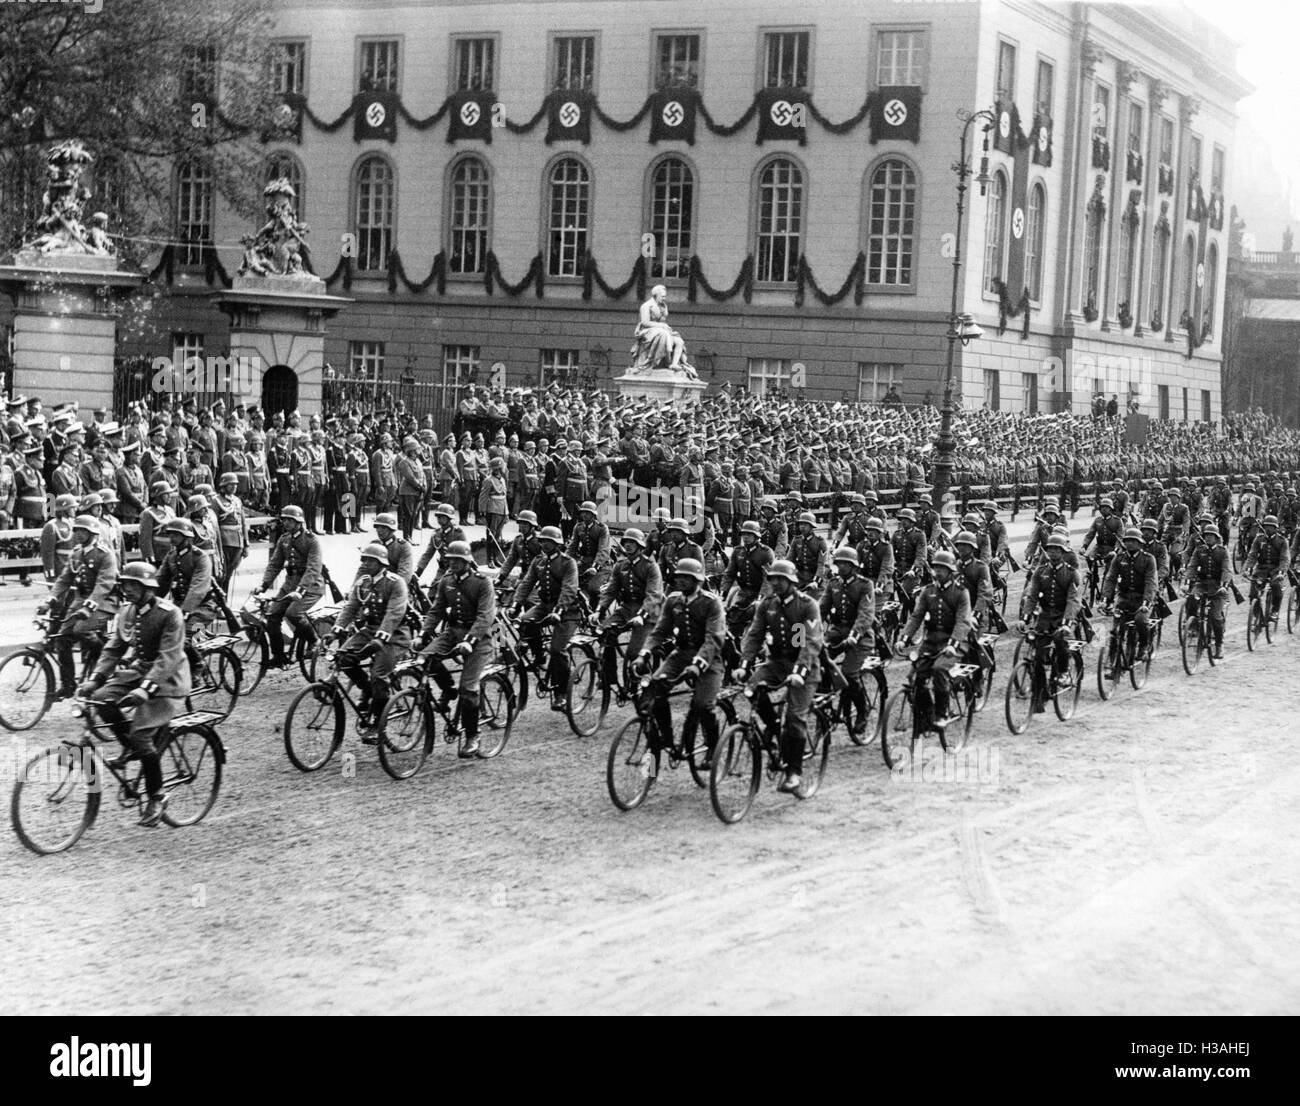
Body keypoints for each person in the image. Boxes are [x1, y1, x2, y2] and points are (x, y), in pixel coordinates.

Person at [79, 562, 191, 827]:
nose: (127, 590)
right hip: (138, 673)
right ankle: (131, 748)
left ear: (147, 588)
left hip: (168, 682)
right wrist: (94, 680)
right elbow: (113, 648)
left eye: (133, 585)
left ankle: (157, 796)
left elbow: (168, 658)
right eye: (125, 584)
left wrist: (146, 689)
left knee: (141, 736)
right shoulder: (127, 611)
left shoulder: (169, 613)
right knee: (103, 700)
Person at [634, 557, 725, 770]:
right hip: (680, 654)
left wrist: (698, 664)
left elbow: (714, 638)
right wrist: (644, 654)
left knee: (703, 705)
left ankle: (713, 748)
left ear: (698, 580)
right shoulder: (673, 601)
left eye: (687, 577)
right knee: (651, 692)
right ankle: (664, 739)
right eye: (679, 577)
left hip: (709, 661)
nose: (681, 581)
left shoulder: (711, 603)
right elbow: (659, 631)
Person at [415, 540, 495, 757]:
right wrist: (423, 633)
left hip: (478, 640)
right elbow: (437, 610)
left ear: (468, 562)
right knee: (424, 658)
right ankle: (448, 690)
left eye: (457, 561)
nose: (453, 564)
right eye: (450, 560)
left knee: (468, 688)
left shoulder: (482, 583)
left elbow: (485, 616)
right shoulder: (446, 581)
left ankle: (472, 736)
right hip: (452, 632)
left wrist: (470, 641)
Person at [331, 543, 411, 739]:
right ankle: (368, 691)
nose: (365, 564)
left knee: (379, 675)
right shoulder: (363, 582)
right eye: (364, 560)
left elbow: (394, 613)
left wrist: (381, 637)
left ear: (382, 563)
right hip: (370, 630)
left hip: (395, 635)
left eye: (370, 561)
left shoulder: (395, 582)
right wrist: (335, 630)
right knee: (343, 658)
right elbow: (351, 607)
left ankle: (379, 724)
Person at [44, 514, 119, 699]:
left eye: (82, 531)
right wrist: (49, 600)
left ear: (93, 533)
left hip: (106, 601)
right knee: (62, 637)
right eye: (76, 530)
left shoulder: (105, 554)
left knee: (80, 630)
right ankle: (68, 684)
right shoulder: (76, 553)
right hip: (82, 599)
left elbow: (104, 584)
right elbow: (64, 580)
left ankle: (104, 657)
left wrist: (89, 607)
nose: (78, 534)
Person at [509, 525, 580, 710]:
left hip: (568, 611)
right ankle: (539, 656)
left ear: (557, 544)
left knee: (557, 650)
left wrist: (559, 610)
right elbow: (527, 583)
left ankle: (561, 694)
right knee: (525, 620)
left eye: (549, 542)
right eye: (542, 541)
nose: (545, 545)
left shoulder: (567, 562)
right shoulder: (538, 561)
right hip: (545, 605)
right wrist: (516, 604)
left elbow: (569, 588)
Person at [900, 549, 973, 726]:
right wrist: (904, 638)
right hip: (930, 641)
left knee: (940, 670)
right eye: (935, 568)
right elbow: (917, 616)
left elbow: (962, 622)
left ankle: (942, 713)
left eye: (942, 568)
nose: (937, 572)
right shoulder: (927, 591)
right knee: (917, 676)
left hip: (953, 643)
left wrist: (952, 645)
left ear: (950, 571)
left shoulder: (961, 592)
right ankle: (928, 712)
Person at [257, 504, 324, 669]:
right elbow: (275, 564)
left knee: (293, 613)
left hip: (311, 586)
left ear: (299, 522)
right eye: (284, 519)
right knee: (272, 615)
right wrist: (263, 585)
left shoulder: (311, 540)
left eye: (290, 520)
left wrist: (300, 591)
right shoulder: (284, 539)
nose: (286, 523)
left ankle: (315, 640)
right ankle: (279, 656)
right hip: (290, 584)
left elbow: (314, 568)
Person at [1017, 534, 1081, 706]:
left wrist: (1067, 624)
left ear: (1062, 552)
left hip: (1063, 616)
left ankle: (1063, 672)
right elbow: (1031, 595)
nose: (1053, 553)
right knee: (1038, 656)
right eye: (1050, 549)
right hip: (1045, 616)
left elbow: (1073, 599)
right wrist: (1025, 617)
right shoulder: (1040, 571)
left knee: (1060, 639)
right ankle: (1042, 690)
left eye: (1056, 550)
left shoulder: (1071, 573)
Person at [597, 528, 663, 692]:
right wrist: (599, 610)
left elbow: (653, 595)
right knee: (603, 633)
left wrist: (642, 615)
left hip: (647, 614)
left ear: (640, 546)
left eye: (632, 543)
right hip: (626, 609)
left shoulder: (650, 566)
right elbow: (611, 590)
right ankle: (608, 677)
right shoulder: (620, 565)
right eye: (626, 542)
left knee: (634, 653)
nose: (628, 545)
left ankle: (642, 677)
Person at [819, 546, 875, 740]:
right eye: (839, 563)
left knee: (850, 673)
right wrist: (803, 637)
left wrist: (854, 635)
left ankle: (862, 710)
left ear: (853, 566)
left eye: (845, 564)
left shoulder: (864, 585)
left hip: (860, 636)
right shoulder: (833, 584)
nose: (841, 566)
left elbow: (865, 614)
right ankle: (824, 708)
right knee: (818, 662)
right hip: (836, 631)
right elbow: (820, 610)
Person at [155, 517, 220, 680]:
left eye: (176, 535)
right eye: (170, 534)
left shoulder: (200, 557)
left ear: (186, 536)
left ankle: (199, 664)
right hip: (179, 608)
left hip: (203, 608)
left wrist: (186, 610)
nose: (172, 538)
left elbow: (198, 588)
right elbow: (160, 582)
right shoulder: (171, 556)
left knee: (185, 639)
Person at [1100, 526, 1157, 666]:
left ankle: (1144, 646)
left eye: (1133, 541)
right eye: (1127, 541)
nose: (1130, 543)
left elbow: (1151, 581)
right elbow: (1111, 578)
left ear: (1139, 543)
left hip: (1141, 598)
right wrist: (1106, 599)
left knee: (1141, 620)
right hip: (1124, 597)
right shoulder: (1119, 558)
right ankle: (1111, 661)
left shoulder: (1148, 559)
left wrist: (1146, 602)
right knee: (1115, 629)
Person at [1183, 518, 1231, 659]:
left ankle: (1219, 645)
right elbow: (1192, 566)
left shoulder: (1223, 552)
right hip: (1202, 584)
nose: (1208, 538)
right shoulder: (1199, 550)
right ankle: (1194, 624)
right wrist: (1186, 581)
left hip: (1217, 588)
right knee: (1191, 598)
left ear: (1217, 538)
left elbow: (1226, 569)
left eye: (1211, 536)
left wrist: (1223, 586)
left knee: (1215, 617)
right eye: (1206, 535)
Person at [1243, 514, 1289, 621]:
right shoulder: (1258, 539)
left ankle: (1275, 611)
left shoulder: (1282, 541)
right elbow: (1252, 555)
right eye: (1266, 526)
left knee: (1276, 586)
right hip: (1261, 569)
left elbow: (1284, 558)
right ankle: (1258, 617)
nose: (1268, 528)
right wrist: (1248, 569)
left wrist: (1281, 572)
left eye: (1271, 526)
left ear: (1276, 528)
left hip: (1276, 569)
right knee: (1253, 594)